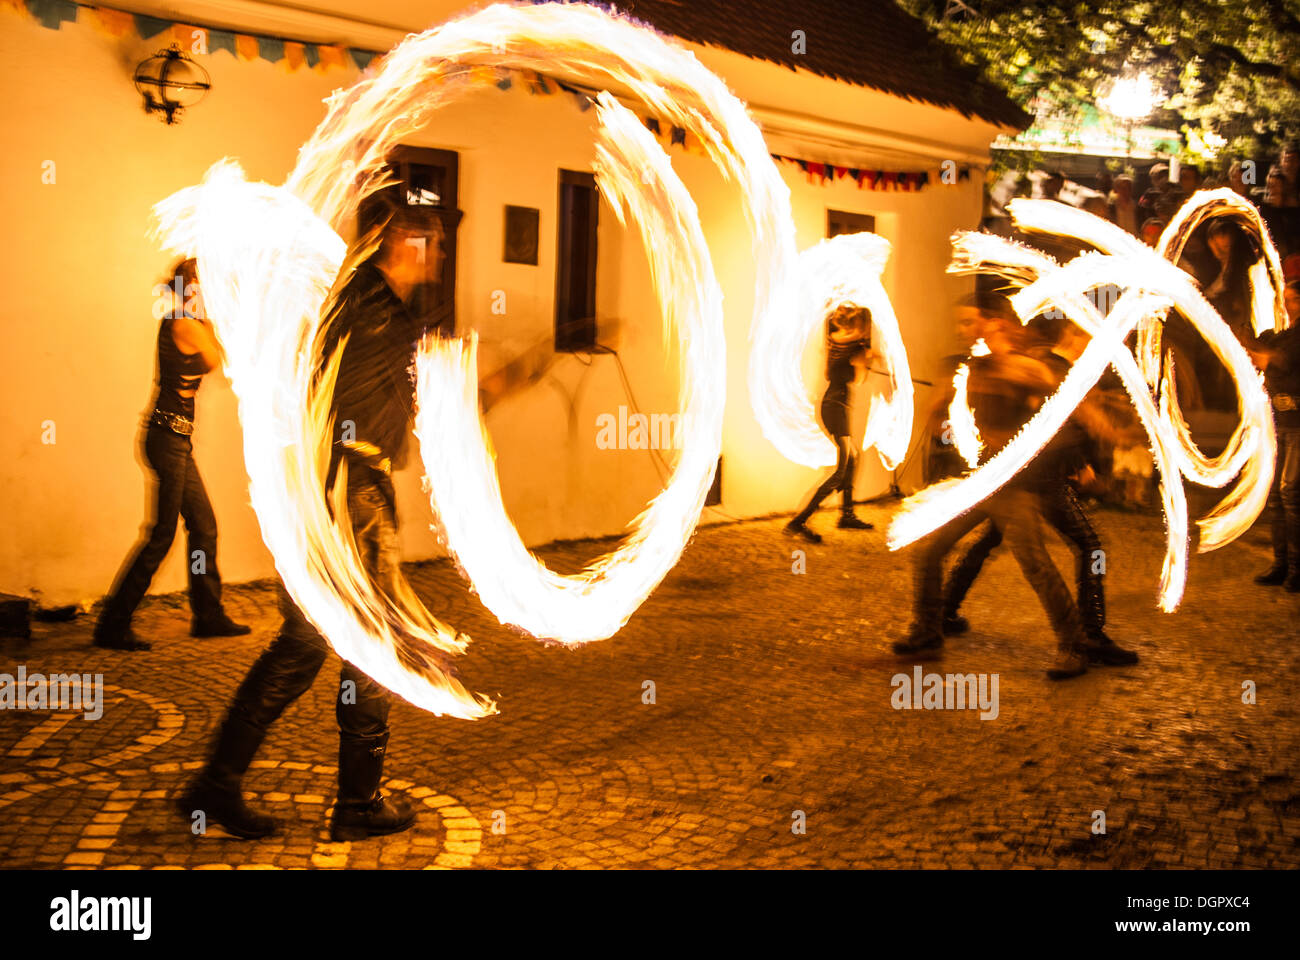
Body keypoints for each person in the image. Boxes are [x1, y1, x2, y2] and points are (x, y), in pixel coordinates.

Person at [178, 201, 446, 841]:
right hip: (348, 498)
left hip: (332, 493)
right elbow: (359, 398)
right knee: (374, 649)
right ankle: (356, 805)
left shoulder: (362, 304)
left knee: (302, 647)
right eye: (431, 241)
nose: (437, 255)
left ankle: (217, 783)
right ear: (403, 242)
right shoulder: (373, 309)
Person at [895, 305, 1095, 680]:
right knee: (928, 550)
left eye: (980, 328)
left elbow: (1067, 406)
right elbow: (939, 416)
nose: (972, 334)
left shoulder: (1024, 368)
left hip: (1013, 487)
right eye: (968, 327)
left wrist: (1093, 435)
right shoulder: (971, 370)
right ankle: (926, 632)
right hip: (981, 481)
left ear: (1002, 330)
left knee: (1035, 564)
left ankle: (1074, 646)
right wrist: (945, 419)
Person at [939, 317, 1140, 665]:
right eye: (1086, 336)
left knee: (987, 541)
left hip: (1020, 476)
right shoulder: (1052, 366)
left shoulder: (1053, 364)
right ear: (1071, 336)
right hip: (1036, 479)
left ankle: (944, 609)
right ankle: (1088, 636)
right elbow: (1054, 424)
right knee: (1086, 546)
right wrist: (1082, 462)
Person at [92, 259, 250, 651]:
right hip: (166, 441)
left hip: (176, 440)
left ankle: (208, 616)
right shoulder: (183, 324)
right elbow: (219, 360)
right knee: (161, 535)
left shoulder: (188, 321)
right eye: (201, 288)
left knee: (204, 526)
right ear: (188, 290)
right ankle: (113, 624)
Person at [785, 305, 875, 543]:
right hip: (838, 407)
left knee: (852, 459)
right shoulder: (856, 344)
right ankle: (799, 522)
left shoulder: (834, 339)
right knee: (841, 470)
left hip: (831, 404)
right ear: (855, 324)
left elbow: (829, 373)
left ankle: (847, 515)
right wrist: (867, 359)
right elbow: (859, 379)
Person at [1249, 280, 1300, 591]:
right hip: (1280, 421)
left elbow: (1277, 360)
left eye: (1294, 299)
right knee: (1276, 498)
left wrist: (1260, 352)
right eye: (1287, 299)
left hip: (1298, 423)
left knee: (1291, 494)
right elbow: (1262, 356)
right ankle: (1281, 564)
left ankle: (1296, 569)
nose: (1289, 305)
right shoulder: (1285, 334)